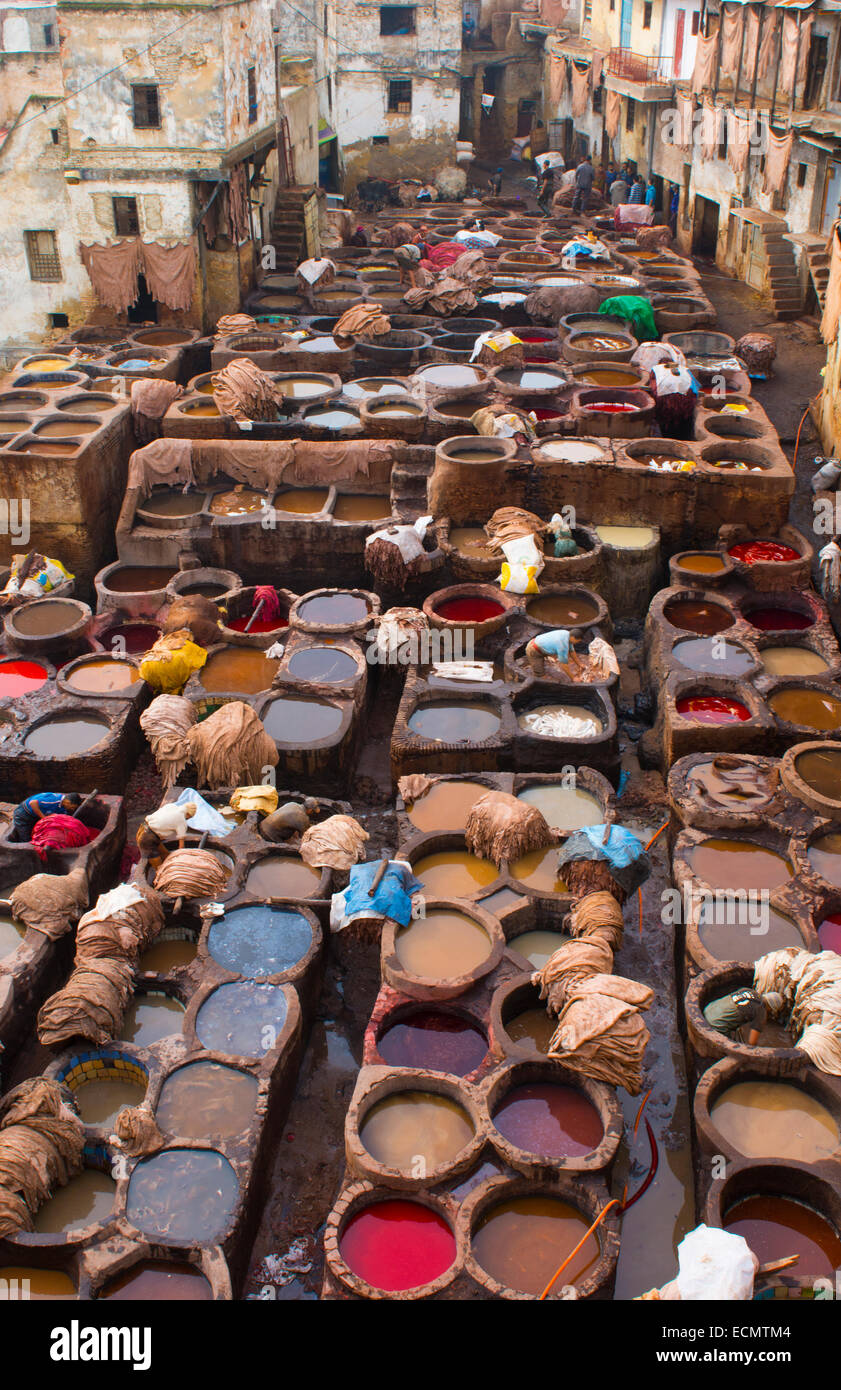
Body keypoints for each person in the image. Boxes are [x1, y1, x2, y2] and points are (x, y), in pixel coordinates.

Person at [703, 987, 779, 1045]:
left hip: (707, 1011)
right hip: (715, 1025)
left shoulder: (747, 990)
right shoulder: (761, 1011)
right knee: (731, 1045)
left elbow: (743, 1007)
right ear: (770, 1008)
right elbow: (752, 1042)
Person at [649, 360, 699, 439]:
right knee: (683, 425)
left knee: (665, 424)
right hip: (685, 405)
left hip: (664, 404)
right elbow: (696, 389)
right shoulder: (684, 370)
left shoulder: (656, 370)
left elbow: (652, 386)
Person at [9, 792, 81, 842]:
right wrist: (44, 818)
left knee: (35, 833)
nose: (72, 810)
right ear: (67, 802)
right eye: (72, 807)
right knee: (26, 838)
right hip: (23, 815)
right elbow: (33, 803)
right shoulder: (52, 800)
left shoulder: (63, 806)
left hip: (33, 815)